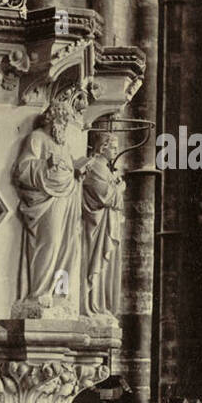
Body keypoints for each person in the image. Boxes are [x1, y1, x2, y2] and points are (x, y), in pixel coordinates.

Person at [13, 93, 82, 308]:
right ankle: (38, 293)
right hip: (45, 200)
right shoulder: (37, 138)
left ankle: (58, 294)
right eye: (62, 121)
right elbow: (22, 170)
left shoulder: (63, 144)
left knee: (66, 247)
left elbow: (68, 168)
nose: (65, 126)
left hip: (66, 198)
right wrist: (45, 165)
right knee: (49, 243)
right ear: (52, 118)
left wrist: (77, 172)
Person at [79, 130, 124, 315]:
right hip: (96, 228)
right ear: (102, 147)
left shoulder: (104, 167)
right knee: (94, 266)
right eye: (112, 147)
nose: (115, 150)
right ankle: (91, 305)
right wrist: (120, 188)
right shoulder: (96, 166)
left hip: (105, 225)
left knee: (103, 268)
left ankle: (98, 305)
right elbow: (104, 196)